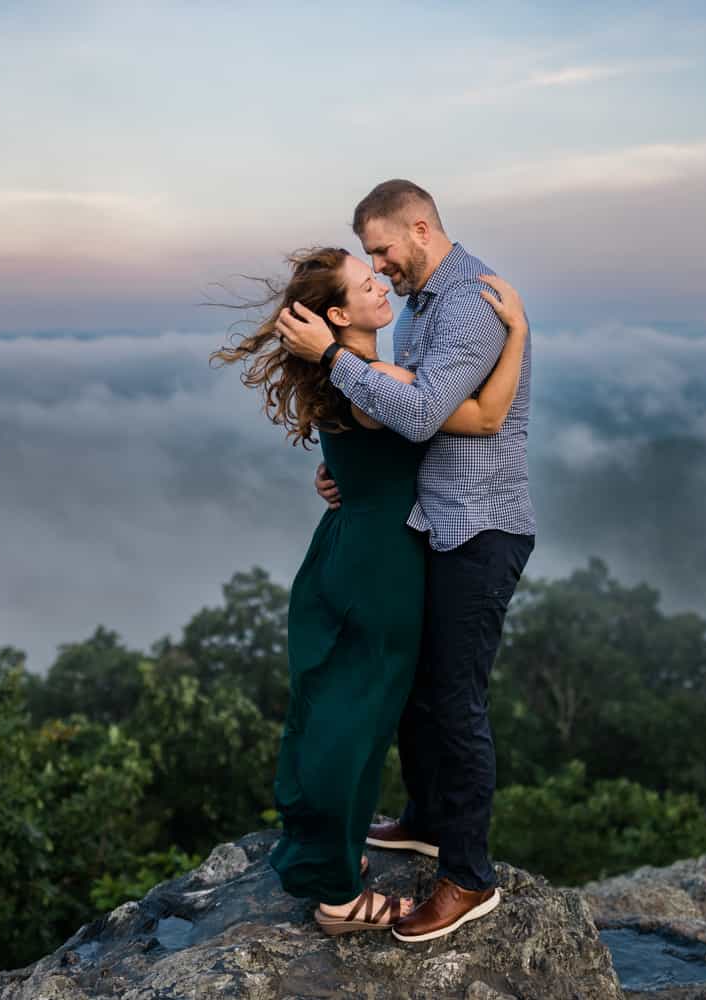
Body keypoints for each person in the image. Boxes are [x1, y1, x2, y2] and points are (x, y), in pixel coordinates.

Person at [212, 245, 528, 935]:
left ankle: (343, 854)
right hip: (382, 563)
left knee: (344, 706)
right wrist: (519, 338)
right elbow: (482, 419)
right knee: (356, 717)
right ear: (337, 316)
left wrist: (341, 476)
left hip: (353, 549)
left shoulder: (352, 380)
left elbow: (358, 455)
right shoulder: (373, 377)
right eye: (366, 282)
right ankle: (338, 892)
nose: (381, 282)